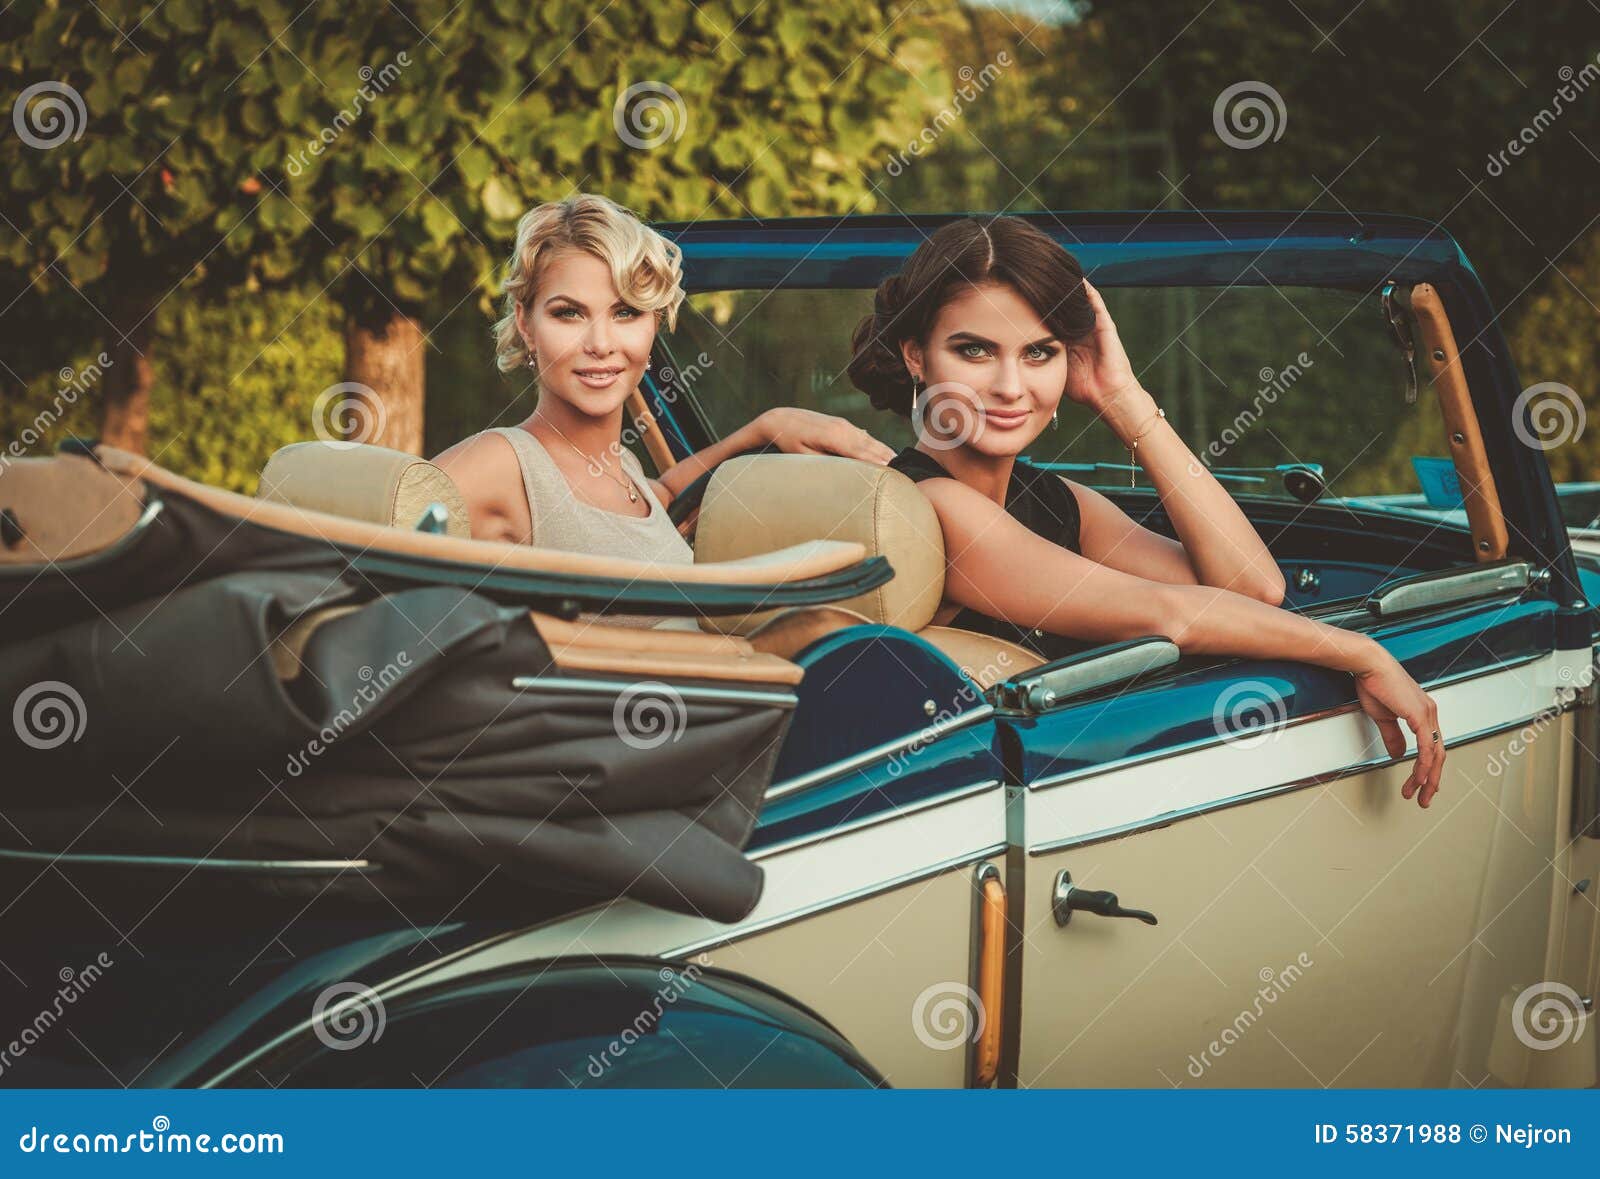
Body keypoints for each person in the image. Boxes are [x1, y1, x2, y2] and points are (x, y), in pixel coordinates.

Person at [847, 216, 1445, 807]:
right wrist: (1362, 651)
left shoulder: (1054, 502)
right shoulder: (930, 504)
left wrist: (1122, 398)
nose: (1009, 386)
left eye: (1039, 352)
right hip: (946, 814)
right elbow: (1172, 614)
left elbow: (1251, 586)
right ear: (916, 356)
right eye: (974, 350)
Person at [434, 193, 892, 627]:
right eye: (569, 314)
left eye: (626, 313)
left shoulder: (627, 470)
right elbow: (376, 533)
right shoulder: (500, 462)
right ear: (525, 324)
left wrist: (765, 429)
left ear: (654, 323)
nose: (600, 344)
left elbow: (663, 498)